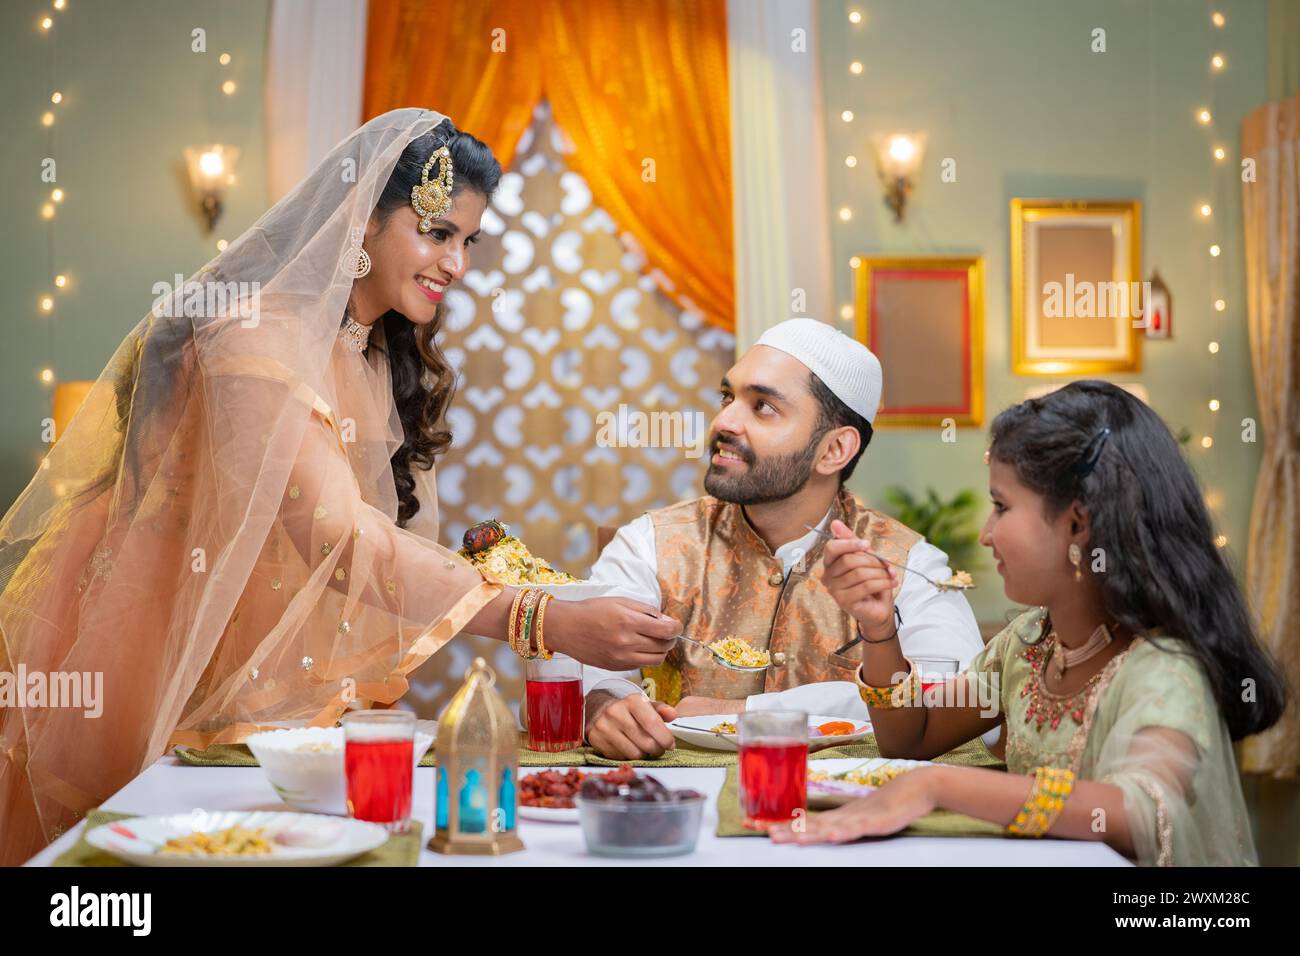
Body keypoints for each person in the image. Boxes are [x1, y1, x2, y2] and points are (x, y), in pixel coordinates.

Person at [0, 108, 676, 865]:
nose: (456, 264)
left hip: (299, 679)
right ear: (361, 220)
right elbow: (335, 535)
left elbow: (389, 536)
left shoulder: (374, 350)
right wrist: (537, 619)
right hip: (182, 640)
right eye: (436, 232)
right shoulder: (256, 340)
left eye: (467, 240)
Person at [769, 380, 1287, 865]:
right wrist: (880, 628)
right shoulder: (1031, 644)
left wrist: (937, 787)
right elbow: (912, 738)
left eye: (1001, 506)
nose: (987, 533)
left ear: (1078, 523)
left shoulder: (1165, 670)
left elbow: (1138, 812)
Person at [580, 319, 984, 760]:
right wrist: (600, 703)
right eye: (728, 397)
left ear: (834, 450)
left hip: (838, 817)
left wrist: (744, 711)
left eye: (763, 407)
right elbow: (576, 666)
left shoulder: (908, 565)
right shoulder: (654, 542)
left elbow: (954, 701)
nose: (724, 421)